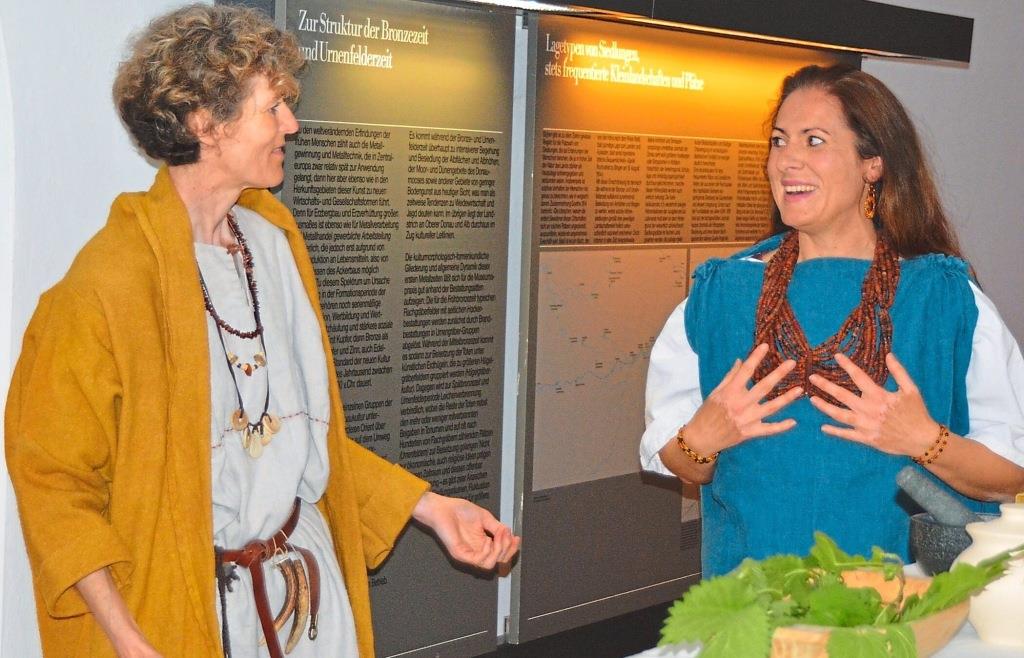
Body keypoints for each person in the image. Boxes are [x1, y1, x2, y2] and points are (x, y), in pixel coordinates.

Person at [4, 5, 518, 657]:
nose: (291, 125)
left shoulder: (273, 244)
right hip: (187, 613)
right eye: (271, 108)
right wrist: (129, 640)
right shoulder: (106, 285)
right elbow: (54, 483)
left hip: (308, 606)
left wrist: (430, 507)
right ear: (205, 124)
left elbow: (295, 437)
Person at [640, 63, 1024, 578]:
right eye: (779, 142)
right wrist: (703, 438)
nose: (787, 161)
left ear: (873, 164)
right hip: (751, 608)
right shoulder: (719, 297)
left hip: (895, 614)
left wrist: (924, 440)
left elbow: (1011, 475)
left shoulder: (945, 300)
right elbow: (680, 459)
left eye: (814, 140)